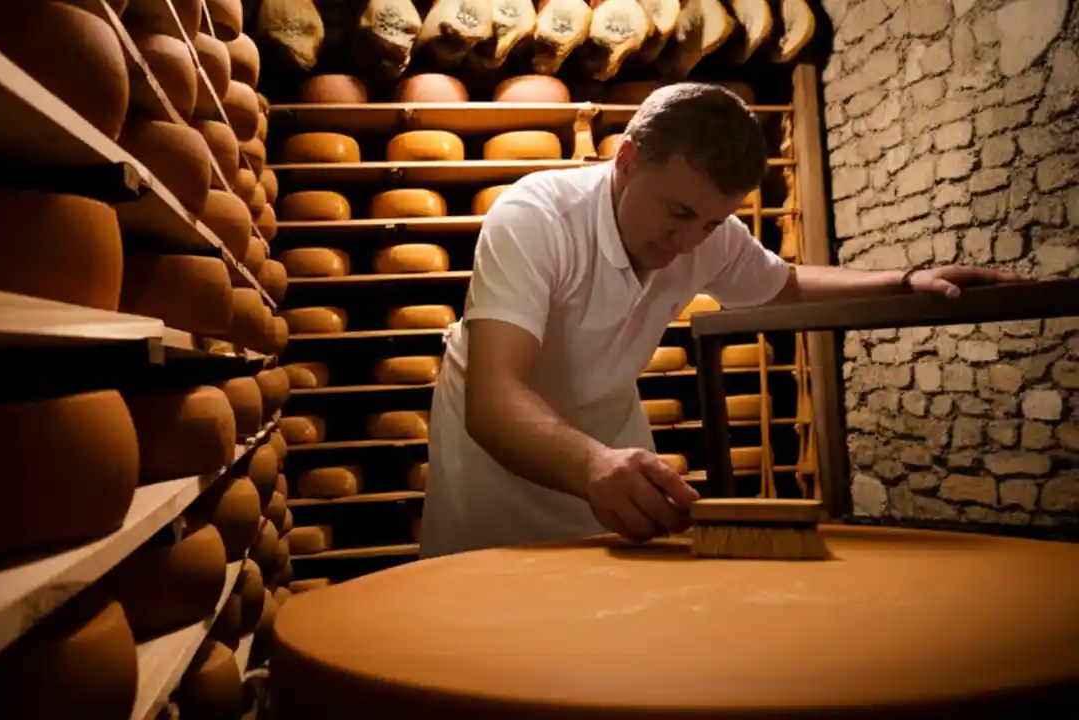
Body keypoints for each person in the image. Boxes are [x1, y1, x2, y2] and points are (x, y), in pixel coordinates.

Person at [418, 82, 1017, 558]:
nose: (688, 242)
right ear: (626, 160)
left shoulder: (708, 234)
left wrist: (906, 280)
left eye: (708, 222)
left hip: (606, 430)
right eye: (678, 212)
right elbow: (495, 399)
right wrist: (591, 464)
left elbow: (781, 284)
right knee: (491, 603)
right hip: (500, 446)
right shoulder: (535, 218)